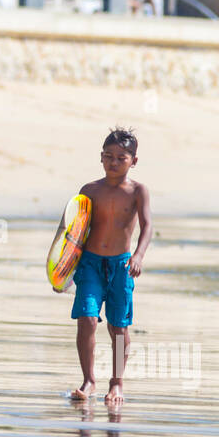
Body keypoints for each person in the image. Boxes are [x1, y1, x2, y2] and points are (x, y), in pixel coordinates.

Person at [67, 127, 152, 408]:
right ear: (101, 157)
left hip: (121, 265)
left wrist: (138, 256)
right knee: (87, 319)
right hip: (89, 263)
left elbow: (148, 226)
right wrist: (64, 267)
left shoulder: (138, 191)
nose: (113, 162)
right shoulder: (89, 191)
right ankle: (88, 380)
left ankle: (116, 381)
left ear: (134, 161)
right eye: (108, 156)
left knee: (118, 327)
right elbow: (73, 233)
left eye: (121, 158)